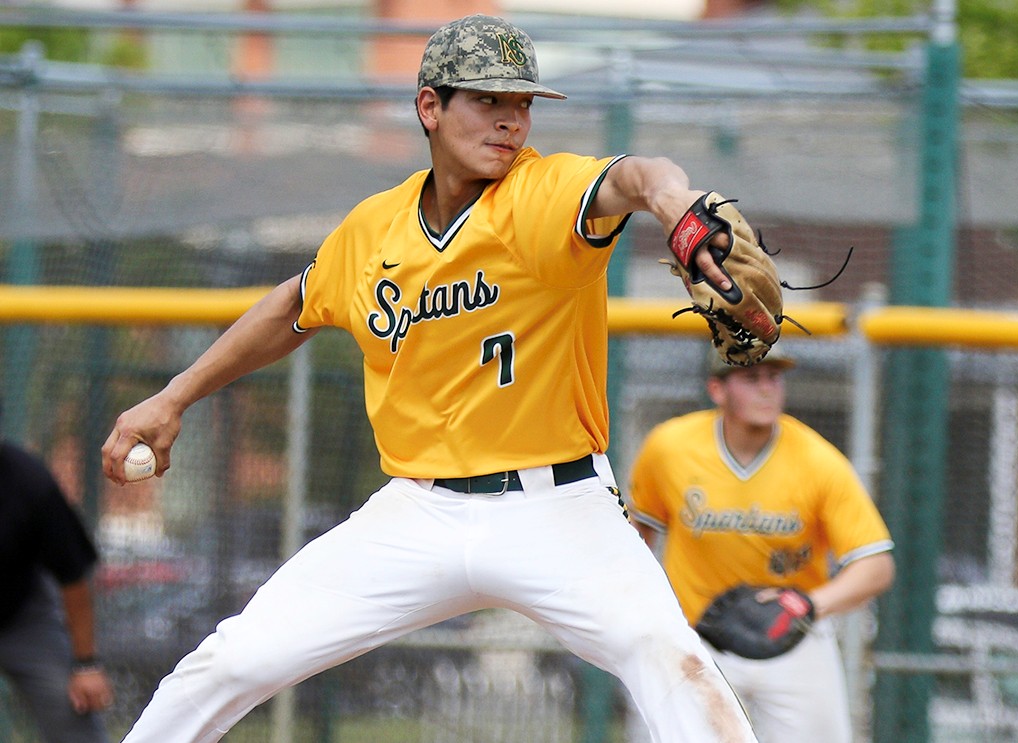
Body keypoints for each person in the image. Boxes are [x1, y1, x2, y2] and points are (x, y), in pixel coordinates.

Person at [100, 14, 761, 743]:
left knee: (669, 660)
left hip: (559, 509)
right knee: (230, 661)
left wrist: (675, 206)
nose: (510, 120)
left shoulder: (540, 195)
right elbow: (295, 302)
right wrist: (173, 395)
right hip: (417, 514)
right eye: (487, 100)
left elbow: (637, 175)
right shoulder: (375, 229)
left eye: (521, 103)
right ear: (429, 107)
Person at [627, 348, 896, 743]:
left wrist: (808, 604)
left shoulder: (818, 461)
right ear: (717, 389)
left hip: (793, 638)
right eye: (752, 378)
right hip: (701, 636)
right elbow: (638, 536)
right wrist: (649, 615)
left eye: (774, 377)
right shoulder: (669, 448)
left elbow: (876, 566)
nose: (767, 389)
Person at [1, 405, 115, 743]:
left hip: (21, 615)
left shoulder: (27, 480)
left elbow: (73, 575)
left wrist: (86, 665)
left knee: (71, 711)